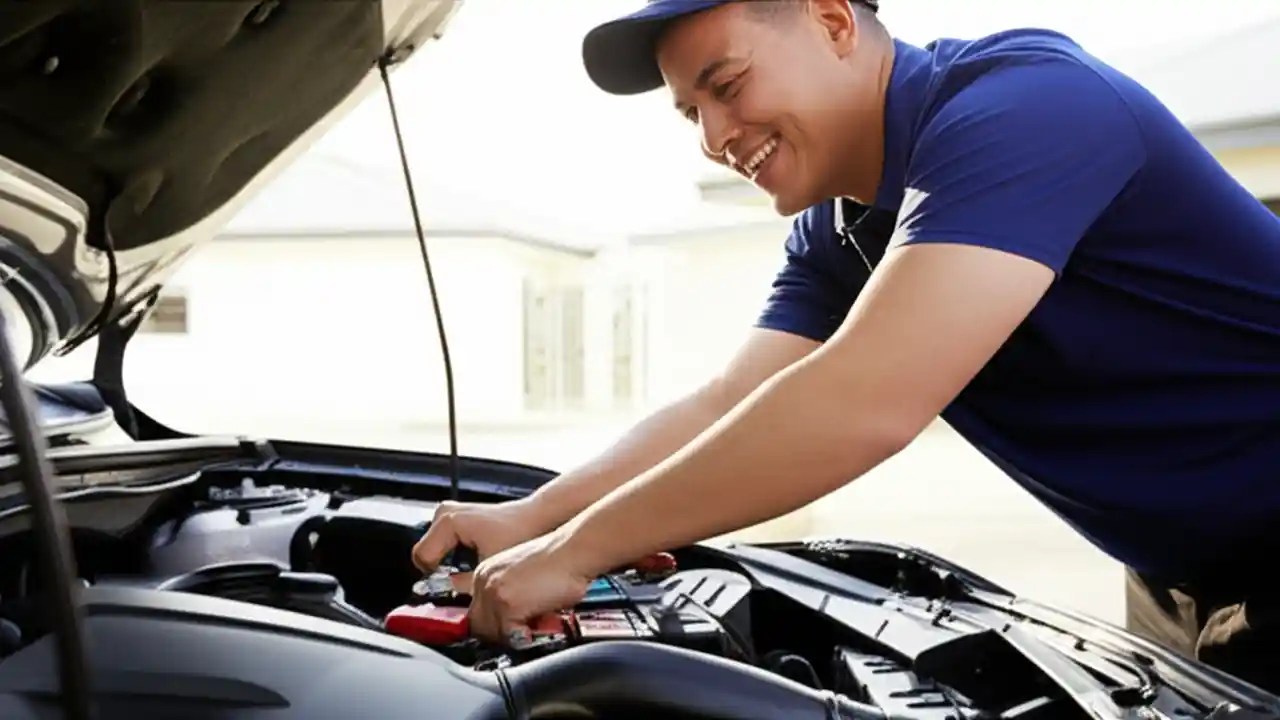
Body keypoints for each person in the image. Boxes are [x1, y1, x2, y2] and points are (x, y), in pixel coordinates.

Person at [413, 0, 1280, 691]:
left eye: (728, 83)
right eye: (691, 114)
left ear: (832, 21)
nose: (717, 138)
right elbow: (730, 403)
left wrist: (575, 554)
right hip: (1177, 578)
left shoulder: (1027, 108)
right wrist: (534, 518)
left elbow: (862, 402)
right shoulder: (839, 232)